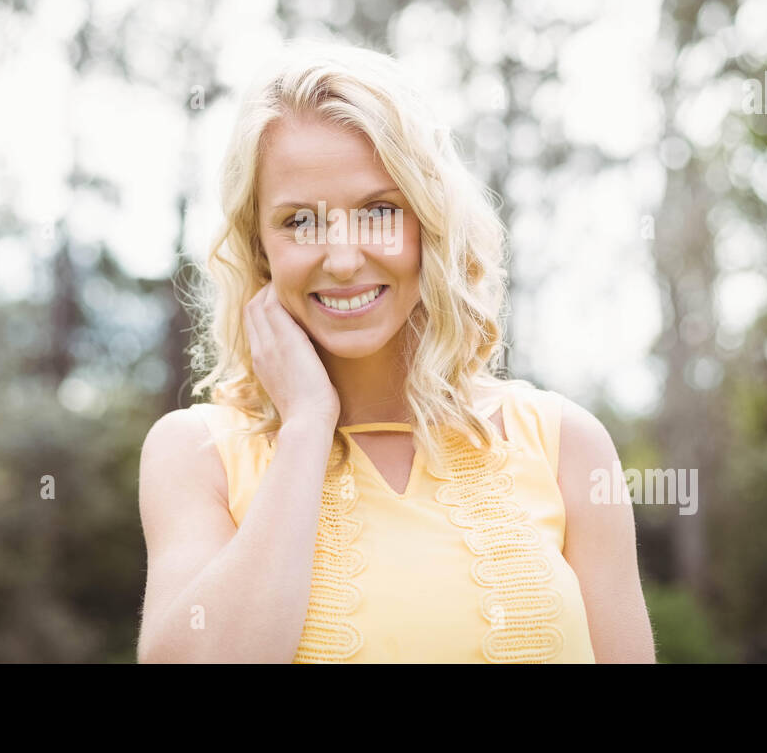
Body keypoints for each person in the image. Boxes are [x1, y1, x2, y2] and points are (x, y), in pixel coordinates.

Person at [137, 39, 655, 663]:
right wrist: (305, 426)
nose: (344, 258)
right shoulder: (196, 455)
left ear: (429, 223)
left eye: (379, 211)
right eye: (300, 220)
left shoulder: (567, 444)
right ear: (259, 247)